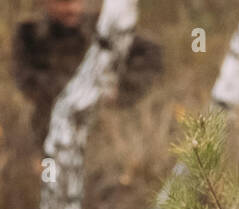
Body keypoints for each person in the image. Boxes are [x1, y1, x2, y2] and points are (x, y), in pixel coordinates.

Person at [12, 0, 163, 142]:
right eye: (62, 2)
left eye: (75, 1)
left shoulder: (101, 26)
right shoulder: (29, 35)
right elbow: (26, 79)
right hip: (49, 130)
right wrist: (81, 90)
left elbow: (150, 54)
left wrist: (120, 89)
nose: (71, 9)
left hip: (103, 133)